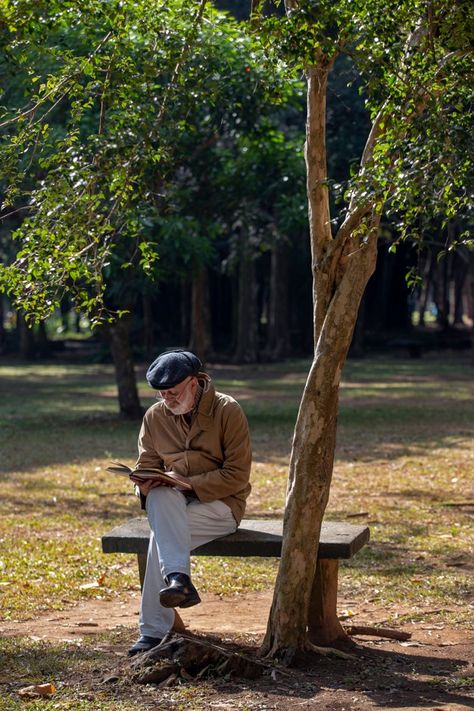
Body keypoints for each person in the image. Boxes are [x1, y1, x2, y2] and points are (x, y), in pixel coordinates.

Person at [127, 349, 252, 656]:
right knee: (159, 495)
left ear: (194, 383)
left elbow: (237, 476)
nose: (167, 399)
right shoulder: (154, 417)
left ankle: (153, 632)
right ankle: (178, 579)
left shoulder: (227, 410)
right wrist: (143, 486)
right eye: (161, 394)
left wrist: (187, 483)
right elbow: (147, 466)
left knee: (160, 537)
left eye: (173, 392)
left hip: (221, 507)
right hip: (170, 507)